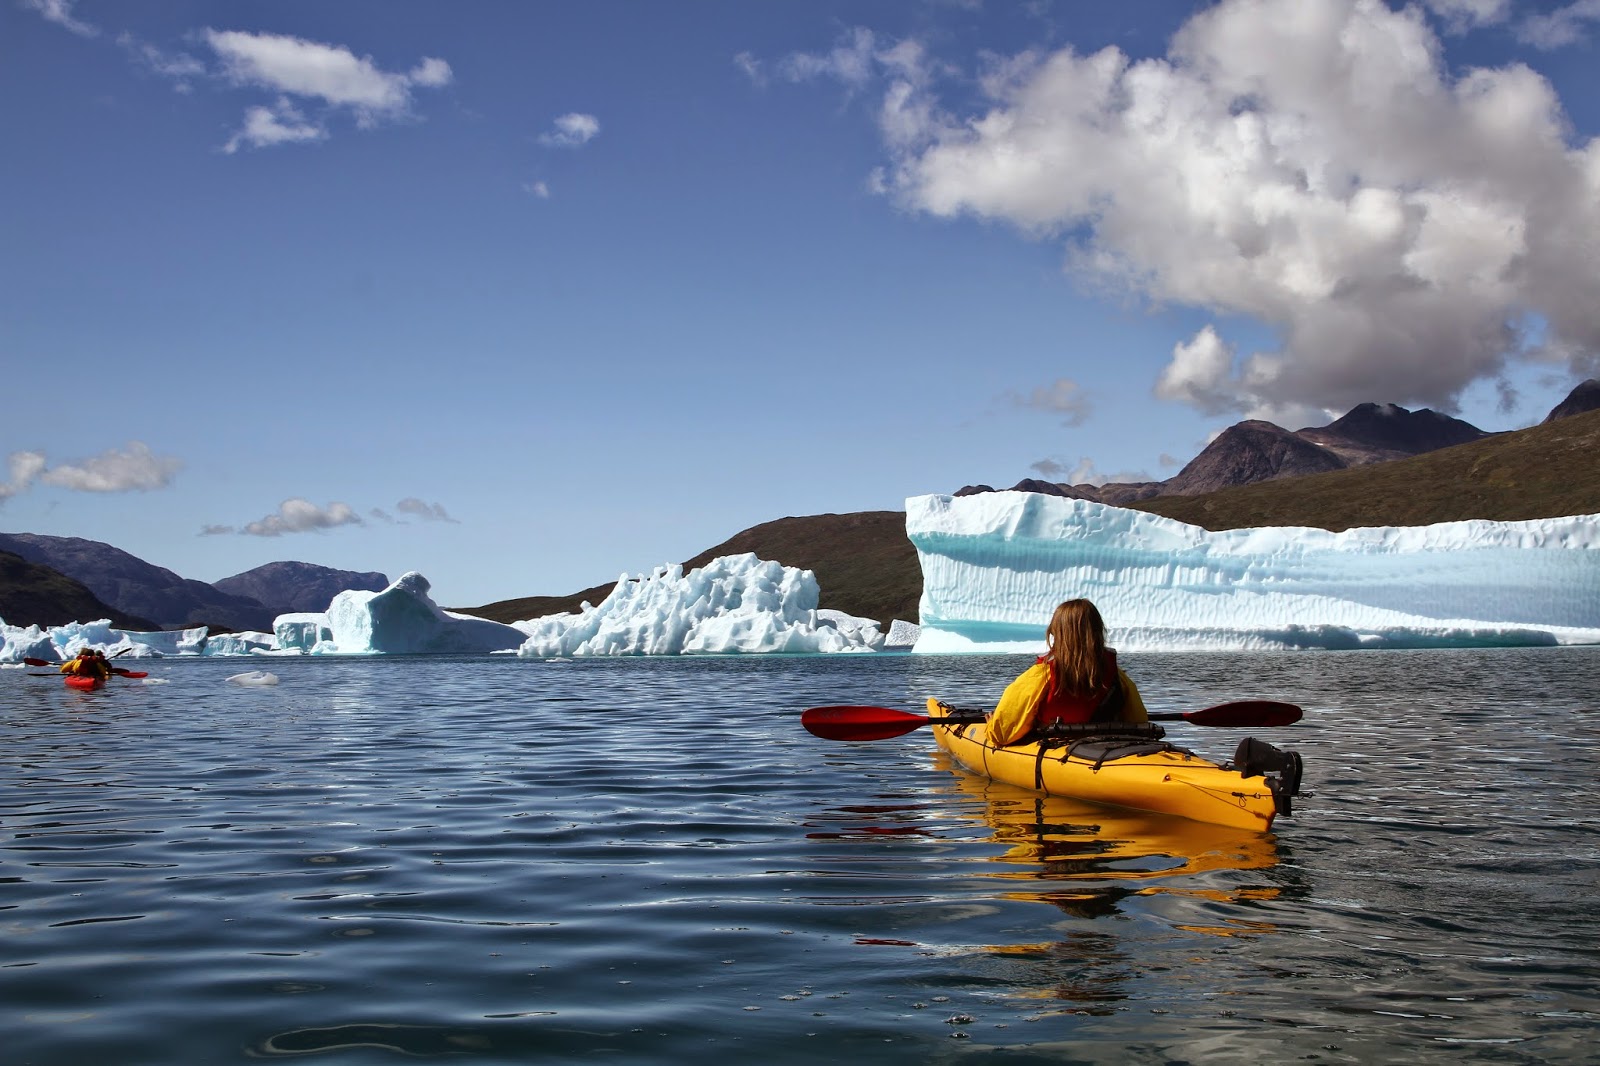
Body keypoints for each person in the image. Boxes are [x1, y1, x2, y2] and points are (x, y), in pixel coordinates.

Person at [987, 599, 1148, 745]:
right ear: (1098, 631)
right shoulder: (1117, 677)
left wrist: (991, 725)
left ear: (1057, 633)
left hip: (1056, 746)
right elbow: (1139, 723)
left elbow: (1002, 735)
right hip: (1104, 745)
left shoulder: (1041, 675)